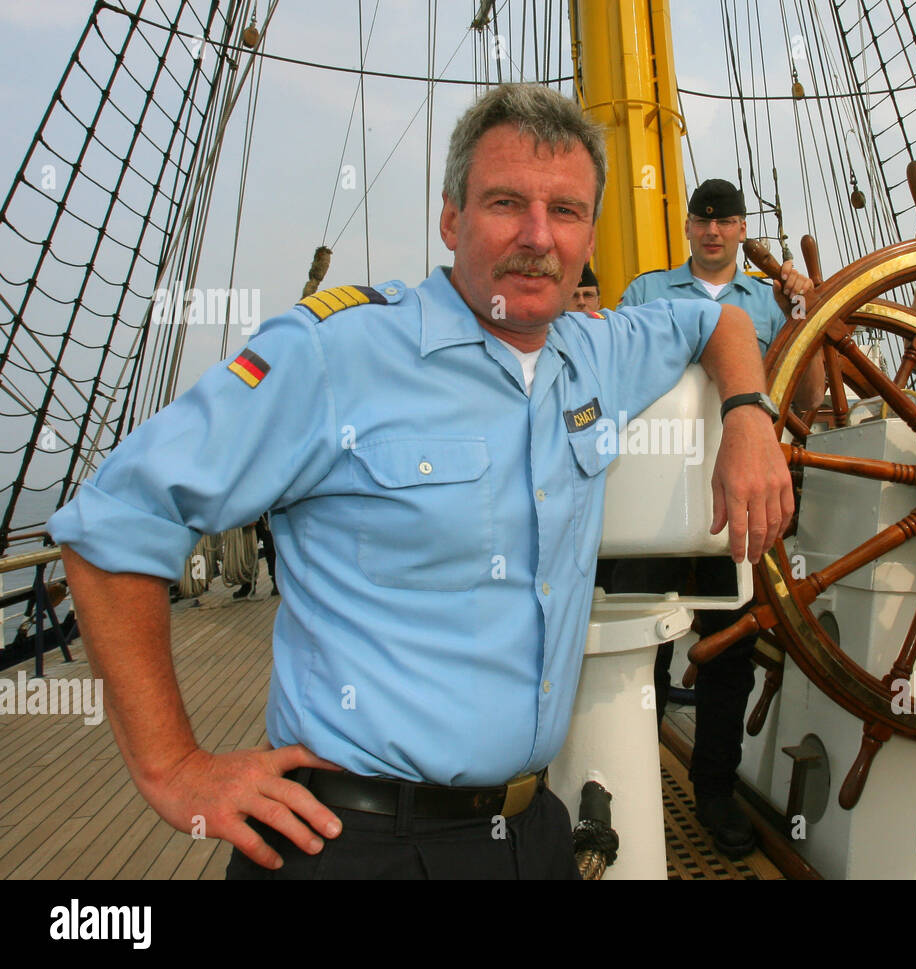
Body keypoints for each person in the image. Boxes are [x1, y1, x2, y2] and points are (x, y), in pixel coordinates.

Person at [48, 84, 793, 880]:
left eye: (566, 211)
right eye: (507, 202)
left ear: (589, 236)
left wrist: (748, 415)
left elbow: (719, 319)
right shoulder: (336, 353)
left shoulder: (594, 353)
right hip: (356, 842)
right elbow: (118, 518)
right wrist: (176, 768)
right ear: (451, 219)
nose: (538, 237)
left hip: (530, 830)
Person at [615, 178, 818, 859]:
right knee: (641, 650)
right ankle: (625, 776)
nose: (712, 231)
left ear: (739, 229)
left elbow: (806, 401)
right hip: (652, 500)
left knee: (730, 658)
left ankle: (713, 791)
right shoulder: (644, 294)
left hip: (738, 504)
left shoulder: (769, 303)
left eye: (725, 222)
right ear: (690, 229)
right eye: (702, 221)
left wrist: (806, 317)